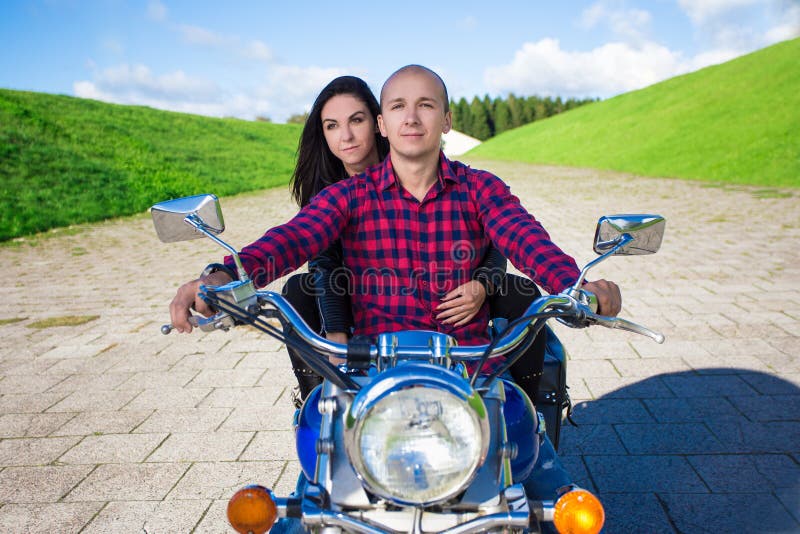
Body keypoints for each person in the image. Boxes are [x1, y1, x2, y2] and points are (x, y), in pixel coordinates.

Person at [169, 64, 621, 510]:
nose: (412, 117)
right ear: (383, 124)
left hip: (471, 369)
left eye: (426, 105)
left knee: (555, 497)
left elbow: (525, 239)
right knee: (312, 498)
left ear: (446, 120)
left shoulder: (481, 188)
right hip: (371, 373)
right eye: (399, 106)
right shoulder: (347, 195)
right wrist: (223, 277)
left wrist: (578, 286)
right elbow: (293, 238)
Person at [278, 75, 512, 406]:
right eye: (332, 126)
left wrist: (483, 282)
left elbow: (498, 238)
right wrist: (338, 338)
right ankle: (318, 398)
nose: (346, 136)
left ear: (378, 124)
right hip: (364, 302)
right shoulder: (332, 193)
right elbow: (322, 263)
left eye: (356, 120)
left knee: (521, 294)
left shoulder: (420, 162)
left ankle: (532, 405)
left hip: (442, 303)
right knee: (297, 291)